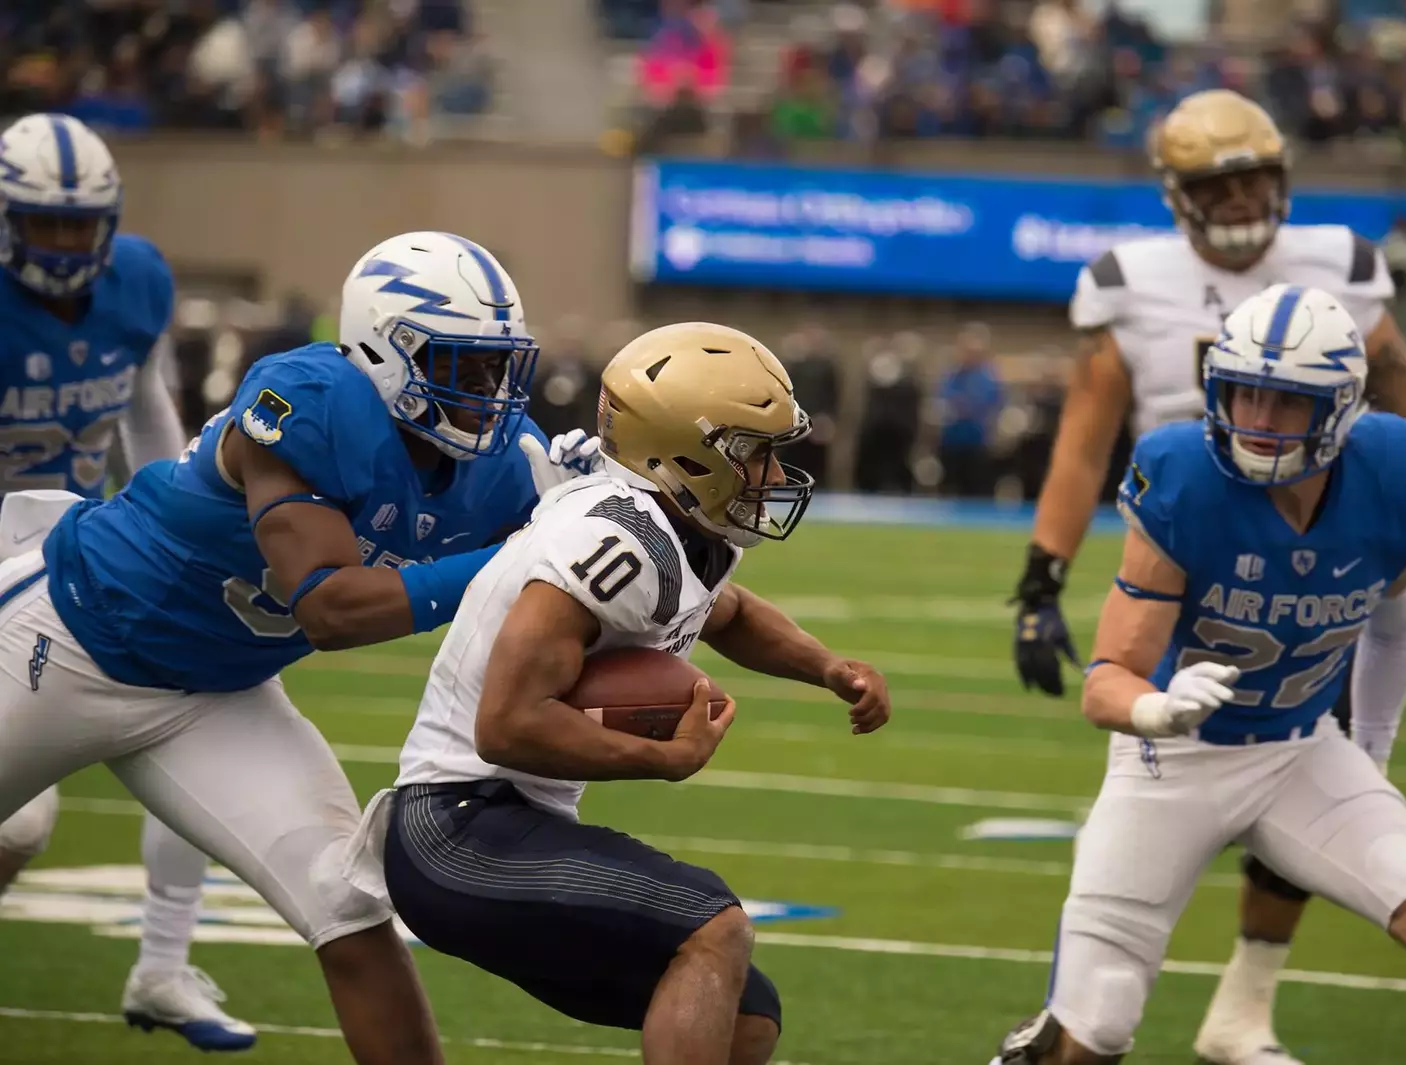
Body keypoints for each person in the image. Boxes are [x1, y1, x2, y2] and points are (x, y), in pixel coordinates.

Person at [1008, 88, 1406, 1065]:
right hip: (1191, 531)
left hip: (1311, 591)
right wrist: (1043, 582)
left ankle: (1248, 1010)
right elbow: (1081, 448)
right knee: (1099, 1020)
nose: (1241, 200)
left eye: (1255, 177)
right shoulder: (1163, 393)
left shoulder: (1390, 444)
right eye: (1218, 183)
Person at [0, 228, 595, 1065]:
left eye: (499, 367)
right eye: (463, 367)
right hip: (66, 636)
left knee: (348, 907)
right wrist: (518, 554)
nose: (487, 394)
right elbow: (332, 609)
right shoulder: (308, 401)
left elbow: (597, 576)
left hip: (216, 695)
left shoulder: (514, 465)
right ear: (384, 352)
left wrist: (604, 516)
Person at [373, 322, 892, 1065]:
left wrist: (830, 668)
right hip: (455, 827)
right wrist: (663, 759)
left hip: (508, 819)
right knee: (713, 925)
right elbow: (506, 724)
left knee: (747, 1012)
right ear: (684, 455)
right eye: (755, 456)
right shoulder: (612, 539)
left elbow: (730, 612)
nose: (774, 478)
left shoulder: (676, 525)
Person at [0, 111, 253, 1050]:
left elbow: (146, 409)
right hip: (9, 566)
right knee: (21, 825)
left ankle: (162, 964)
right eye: (45, 224)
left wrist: (188, 518)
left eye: (80, 225)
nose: (66, 246)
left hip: (85, 546)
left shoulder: (137, 278)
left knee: (206, 707)